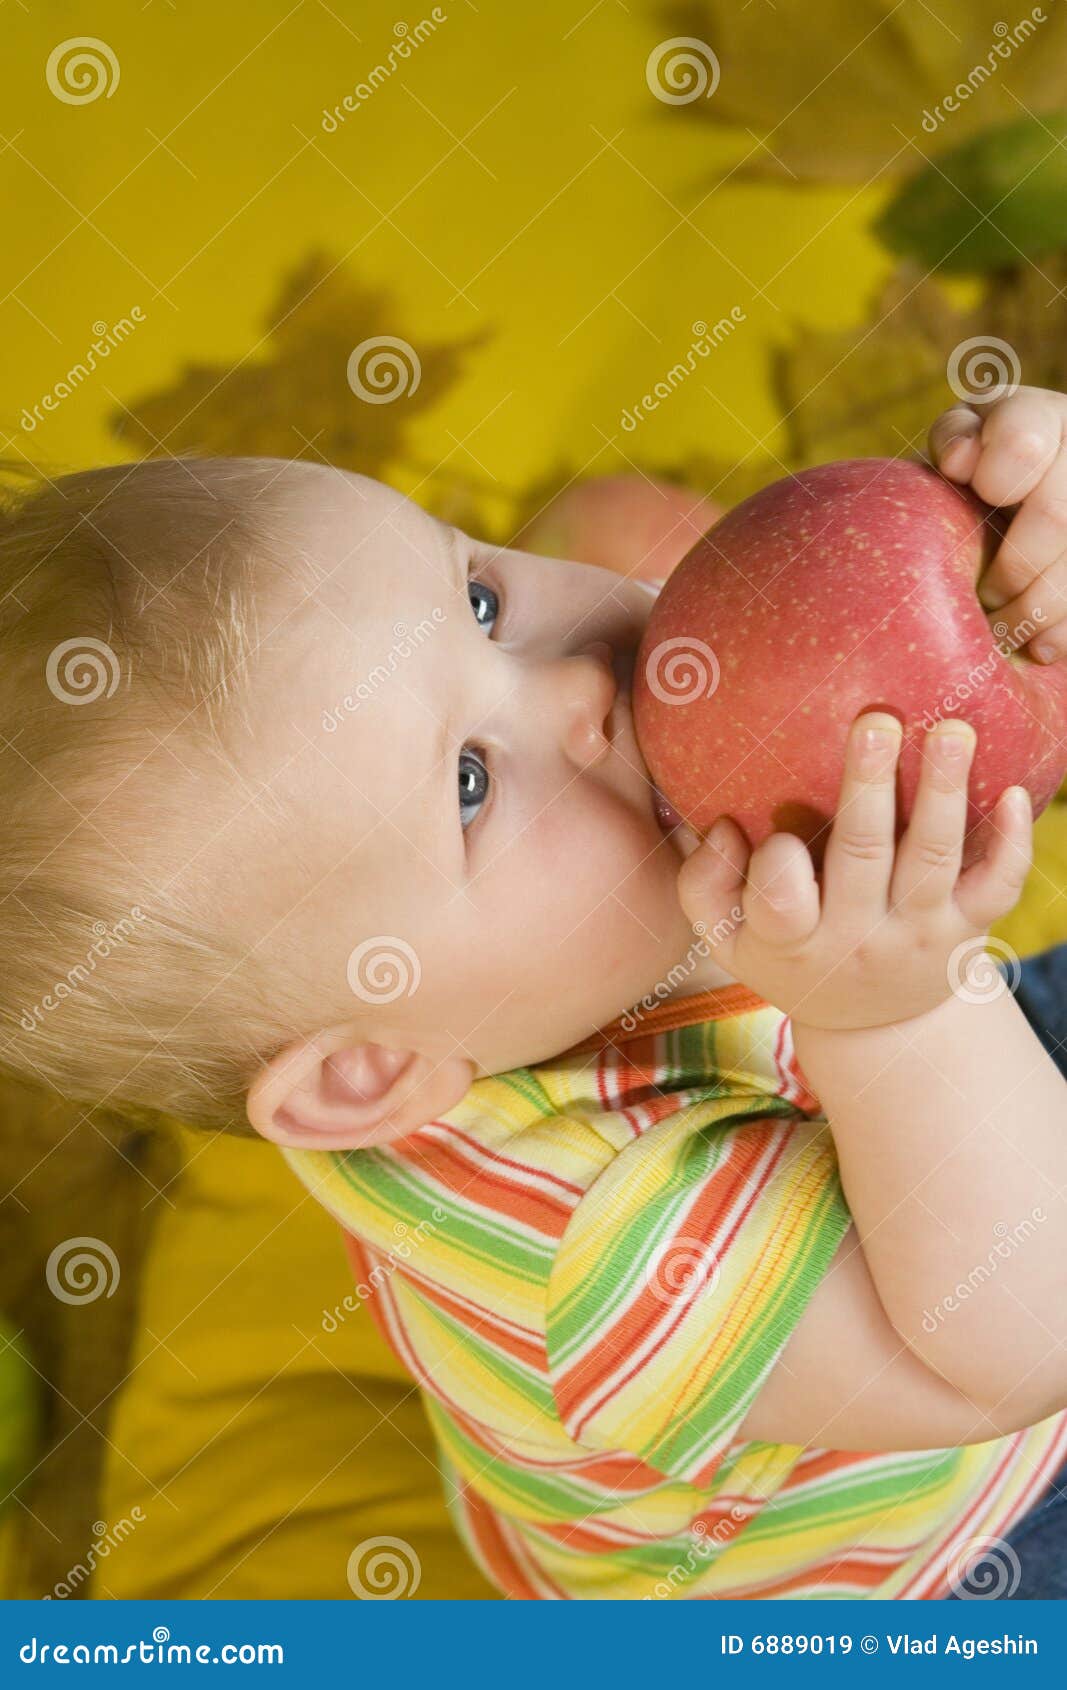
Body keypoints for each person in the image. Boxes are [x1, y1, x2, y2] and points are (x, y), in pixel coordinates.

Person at [2, 387, 1066, 1598]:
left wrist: (1002, 547)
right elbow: (1020, 1338)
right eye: (465, 783)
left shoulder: (517, 949)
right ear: (372, 1070)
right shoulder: (590, 1237)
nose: (573, 686)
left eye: (478, 600)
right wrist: (899, 1012)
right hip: (949, 1531)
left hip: (895, 1109)